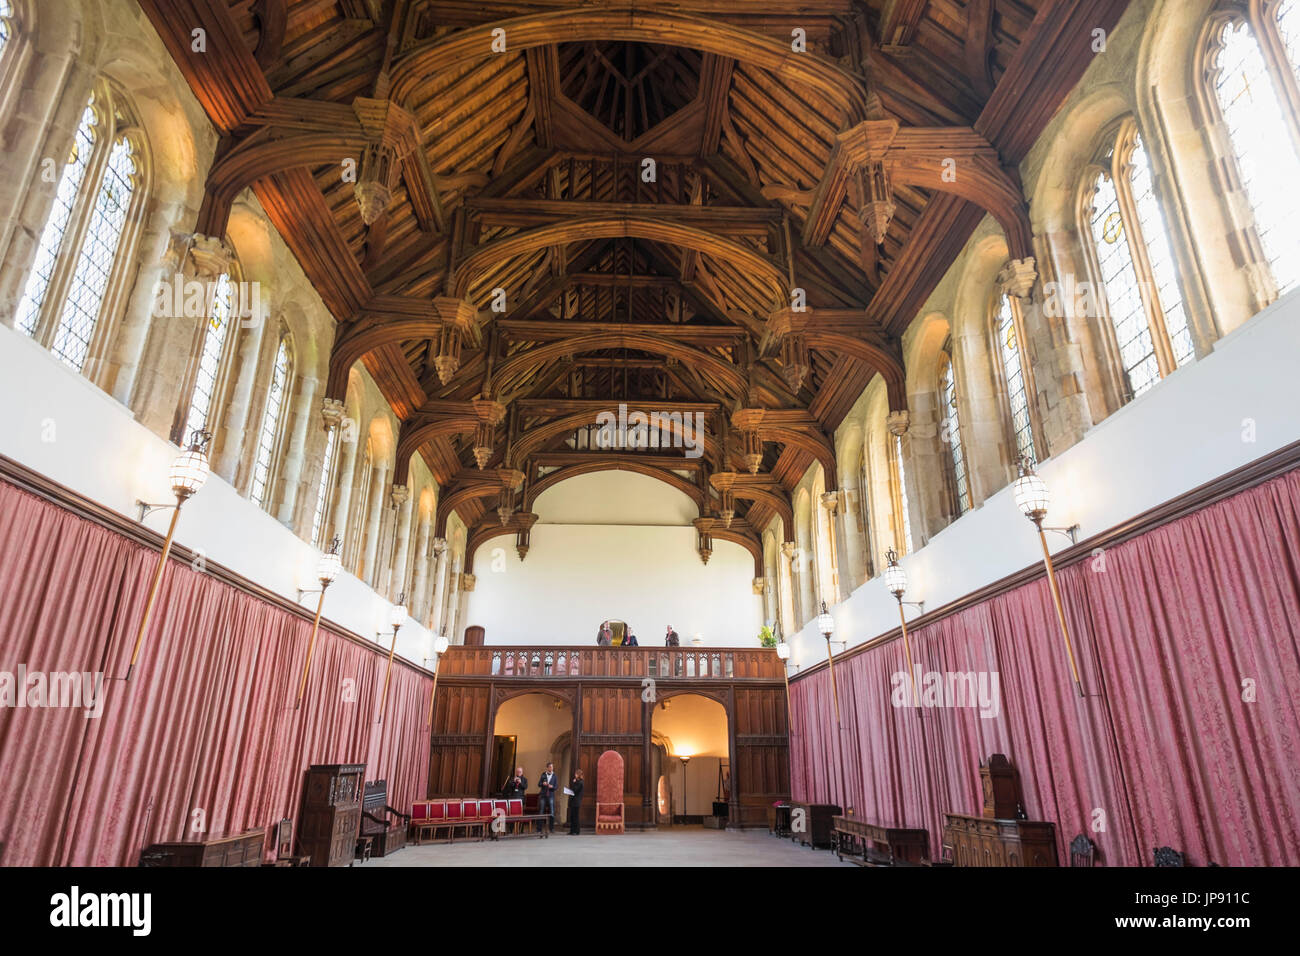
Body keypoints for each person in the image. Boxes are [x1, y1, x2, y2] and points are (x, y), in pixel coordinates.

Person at [537, 761, 558, 832]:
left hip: (551, 796)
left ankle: (551, 828)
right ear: (548, 768)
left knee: (552, 812)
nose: (551, 768)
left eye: (552, 767)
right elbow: (539, 784)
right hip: (543, 795)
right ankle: (539, 828)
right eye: (550, 767)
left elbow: (556, 787)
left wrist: (552, 787)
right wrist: (543, 783)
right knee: (541, 811)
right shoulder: (543, 775)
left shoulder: (554, 776)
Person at [568, 769, 585, 835]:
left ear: (578, 774)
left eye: (576, 774)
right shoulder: (577, 782)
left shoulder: (580, 782)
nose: (575, 775)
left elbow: (575, 790)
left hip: (576, 801)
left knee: (576, 817)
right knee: (572, 817)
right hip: (573, 801)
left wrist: (574, 782)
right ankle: (572, 831)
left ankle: (576, 831)